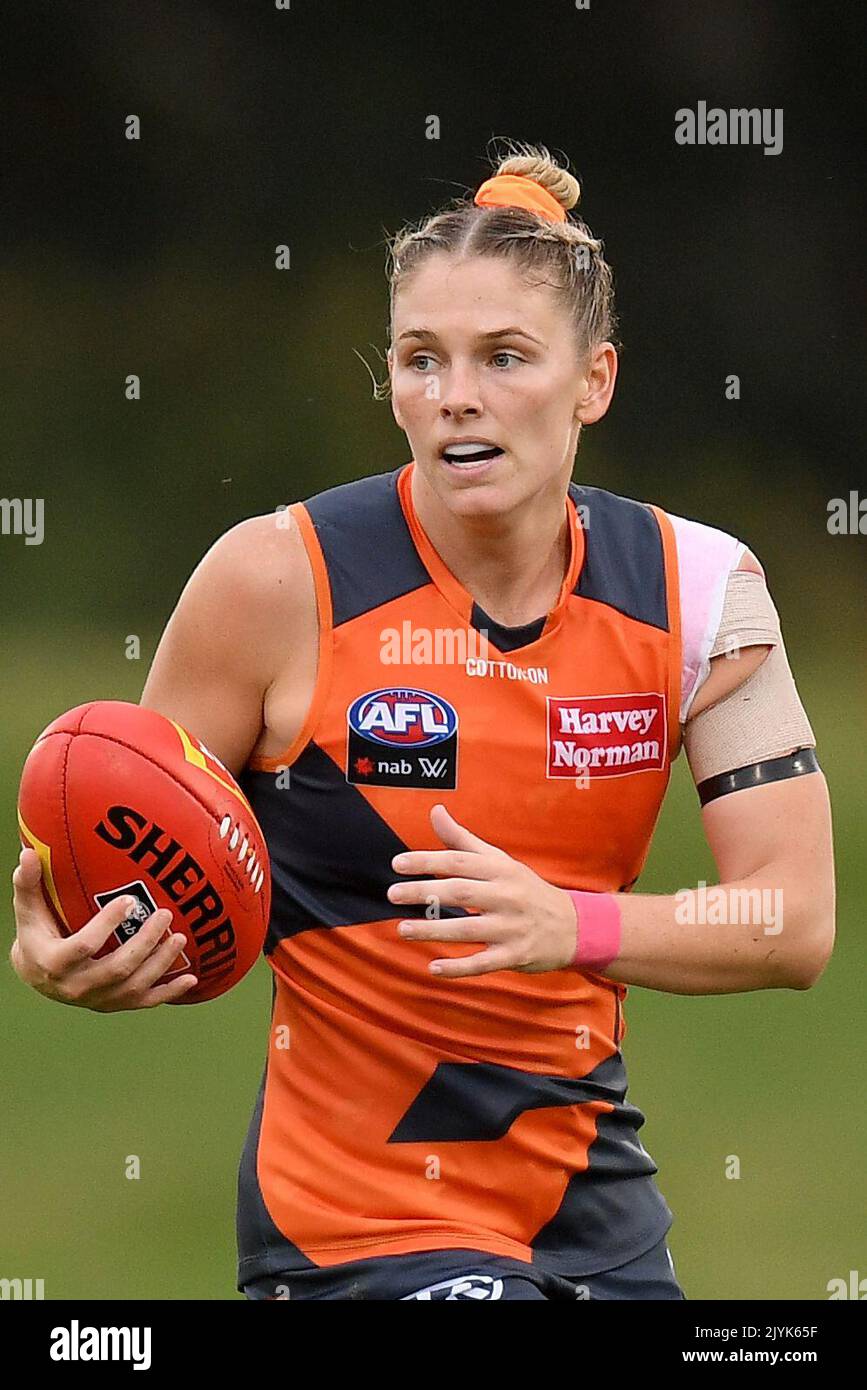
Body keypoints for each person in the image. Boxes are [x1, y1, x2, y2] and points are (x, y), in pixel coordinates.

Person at [10, 142, 835, 1301]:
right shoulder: (273, 583)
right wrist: (70, 952)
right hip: (349, 1227)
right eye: (420, 359)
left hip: (594, 1214)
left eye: (505, 357)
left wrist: (576, 925)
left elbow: (792, 921)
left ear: (593, 380)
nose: (457, 395)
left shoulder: (705, 595)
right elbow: (142, 861)